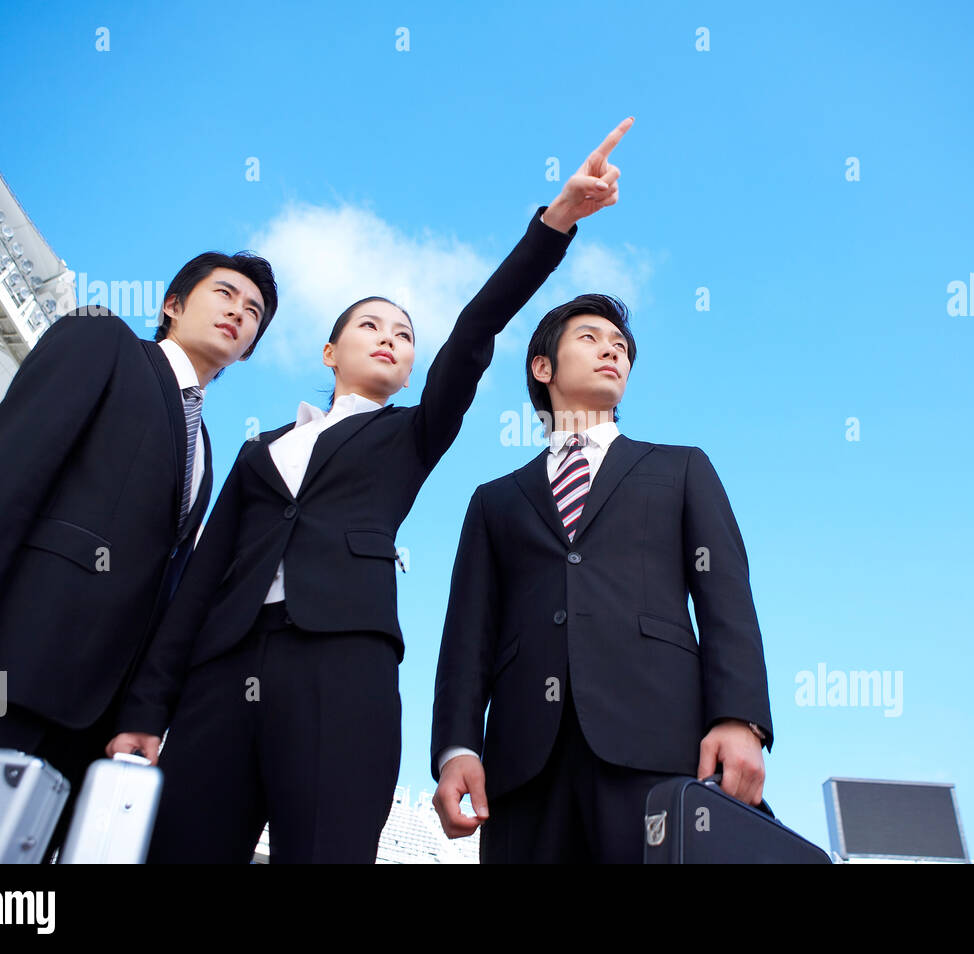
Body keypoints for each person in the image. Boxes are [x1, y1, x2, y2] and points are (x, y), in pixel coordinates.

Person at [106, 118, 634, 864]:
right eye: (370, 324)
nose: (390, 337)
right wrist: (146, 708)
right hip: (221, 673)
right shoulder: (259, 452)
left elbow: (478, 326)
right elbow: (196, 586)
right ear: (329, 350)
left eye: (405, 333)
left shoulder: (411, 435)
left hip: (342, 671)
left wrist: (556, 223)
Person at [0, 252, 278, 858]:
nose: (239, 310)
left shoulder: (206, 449)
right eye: (226, 293)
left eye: (254, 311)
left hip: (93, 725)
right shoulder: (102, 340)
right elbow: (6, 469)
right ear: (173, 305)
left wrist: (140, 712)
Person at [430, 292, 773, 863]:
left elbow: (727, 600)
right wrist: (456, 748)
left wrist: (739, 719)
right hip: (523, 767)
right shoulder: (494, 502)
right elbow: (467, 635)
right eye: (589, 338)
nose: (611, 351)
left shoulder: (681, 467)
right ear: (543, 368)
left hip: (658, 748)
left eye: (621, 346)